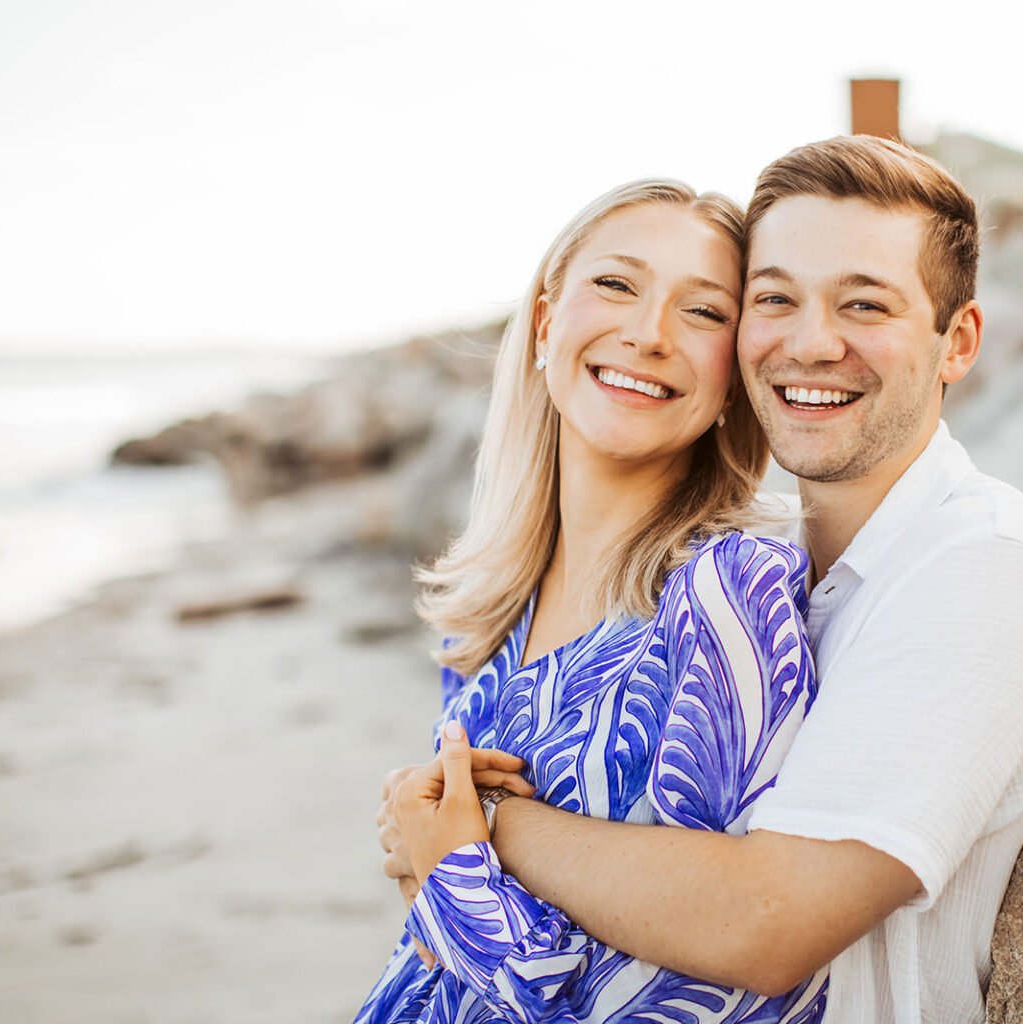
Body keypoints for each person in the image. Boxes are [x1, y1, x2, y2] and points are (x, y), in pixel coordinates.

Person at [382, 136, 1023, 1023]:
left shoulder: (978, 565)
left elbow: (763, 928)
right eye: (774, 300)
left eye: (864, 304)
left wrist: (472, 830)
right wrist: (445, 867)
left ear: (959, 343)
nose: (813, 341)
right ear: (539, 321)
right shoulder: (513, 602)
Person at [355, 180, 830, 1023]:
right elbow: (439, 945)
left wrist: (454, 869)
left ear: (735, 376)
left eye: (704, 312)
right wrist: (424, 855)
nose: (647, 334)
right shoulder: (488, 612)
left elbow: (735, 983)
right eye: (617, 284)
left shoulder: (729, 592)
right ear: (545, 324)